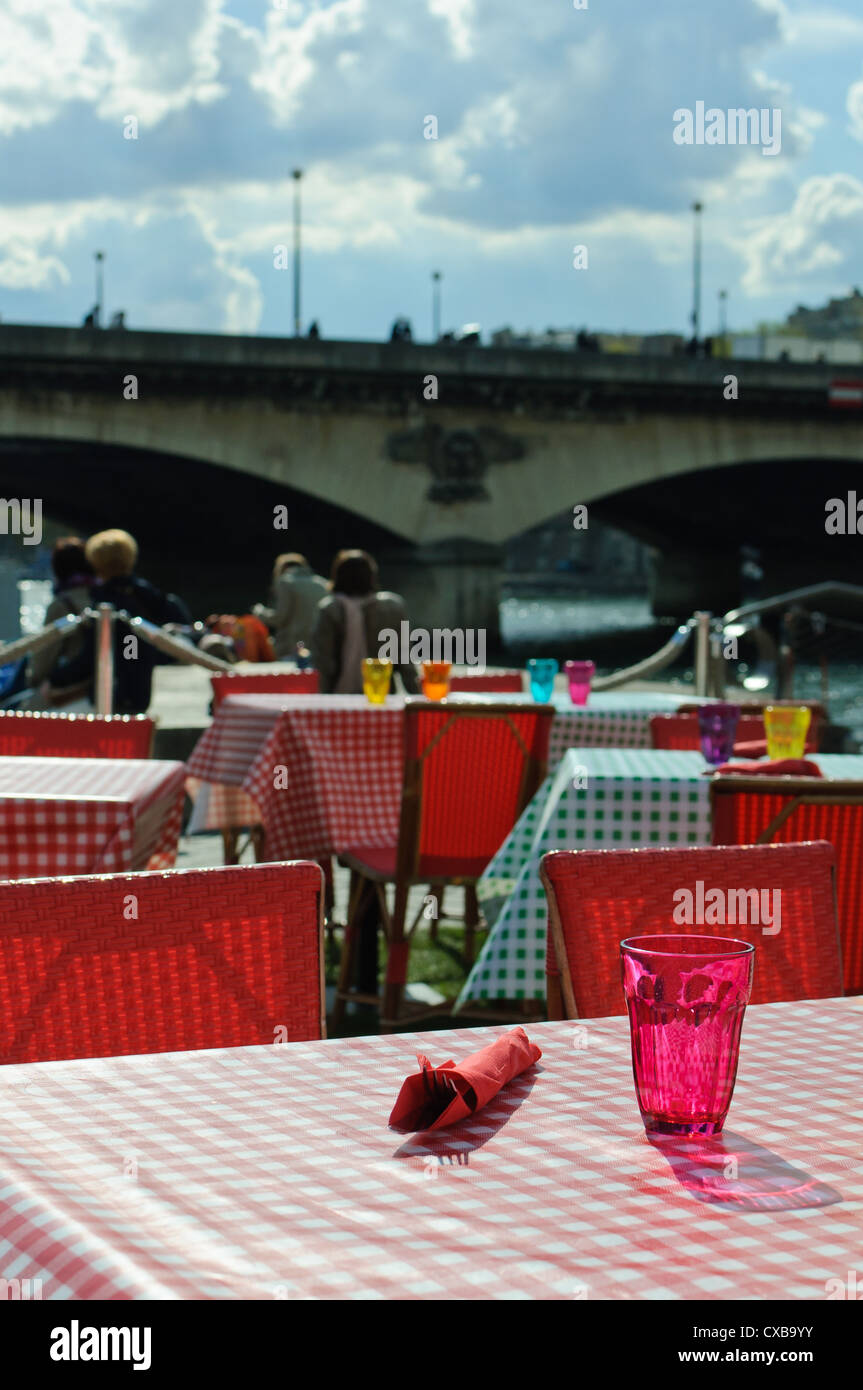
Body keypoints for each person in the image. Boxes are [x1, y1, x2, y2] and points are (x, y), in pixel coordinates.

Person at [48, 529, 192, 714]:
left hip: (114, 695)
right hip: (141, 695)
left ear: (95, 562)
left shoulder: (105, 604)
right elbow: (177, 631)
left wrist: (54, 679)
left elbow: (90, 659)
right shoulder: (148, 595)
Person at [311, 549, 419, 694]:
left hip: (338, 695)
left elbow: (323, 661)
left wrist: (321, 698)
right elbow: (405, 661)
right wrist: (419, 698)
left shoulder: (329, 609)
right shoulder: (393, 607)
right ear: (371, 576)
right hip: (381, 694)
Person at [25, 537, 95, 709]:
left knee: (19, 716)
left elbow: (42, 662)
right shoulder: (105, 596)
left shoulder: (62, 605)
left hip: (74, 690)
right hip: (105, 687)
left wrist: (32, 680)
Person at [253, 553, 328, 659]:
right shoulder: (322, 583)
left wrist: (259, 613)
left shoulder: (285, 582)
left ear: (283, 568)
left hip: (292, 647)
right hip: (317, 647)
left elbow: (279, 617)